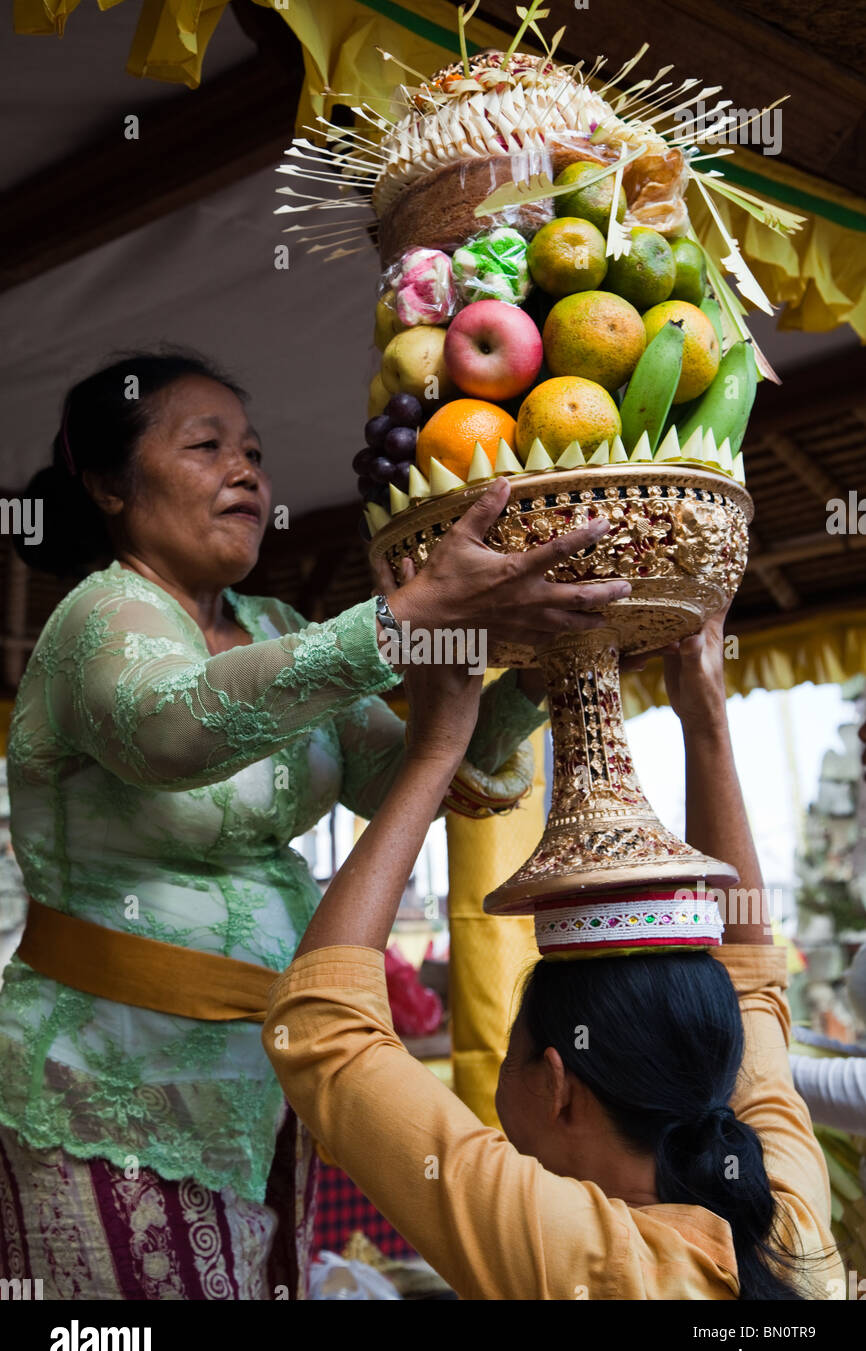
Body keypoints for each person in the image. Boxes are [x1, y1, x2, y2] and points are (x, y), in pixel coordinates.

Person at [0, 349, 630, 1300]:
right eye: (205, 446)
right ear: (106, 485)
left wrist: (549, 657)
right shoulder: (100, 616)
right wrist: (401, 619)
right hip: (105, 1087)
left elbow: (412, 767)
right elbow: (175, 727)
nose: (245, 470)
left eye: (251, 451)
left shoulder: (271, 624)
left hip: (268, 1086)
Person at [264, 603, 845, 1300]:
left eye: (511, 1047)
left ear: (556, 1082)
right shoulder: (790, 1227)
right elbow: (753, 983)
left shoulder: (585, 1259)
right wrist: (706, 720)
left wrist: (434, 750)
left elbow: (321, 1028)